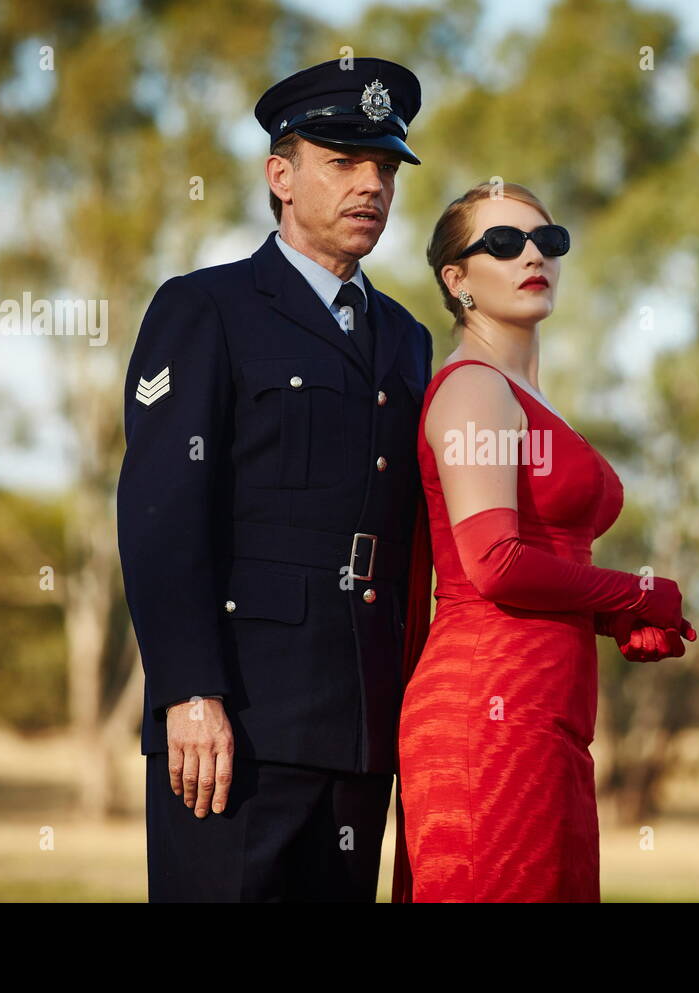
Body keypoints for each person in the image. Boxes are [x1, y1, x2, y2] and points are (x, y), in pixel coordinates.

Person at [116, 57, 433, 901]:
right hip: (234, 727)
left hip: (360, 731)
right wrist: (188, 690)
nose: (371, 184)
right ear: (280, 176)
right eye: (343, 162)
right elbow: (160, 516)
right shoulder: (205, 308)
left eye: (386, 168)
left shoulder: (405, 338)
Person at [392, 182, 697, 902]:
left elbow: (547, 555)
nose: (533, 254)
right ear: (456, 280)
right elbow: (494, 563)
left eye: (547, 241)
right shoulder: (473, 389)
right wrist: (636, 591)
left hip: (546, 714)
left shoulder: (523, 393)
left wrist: (612, 615)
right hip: (487, 709)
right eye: (503, 242)